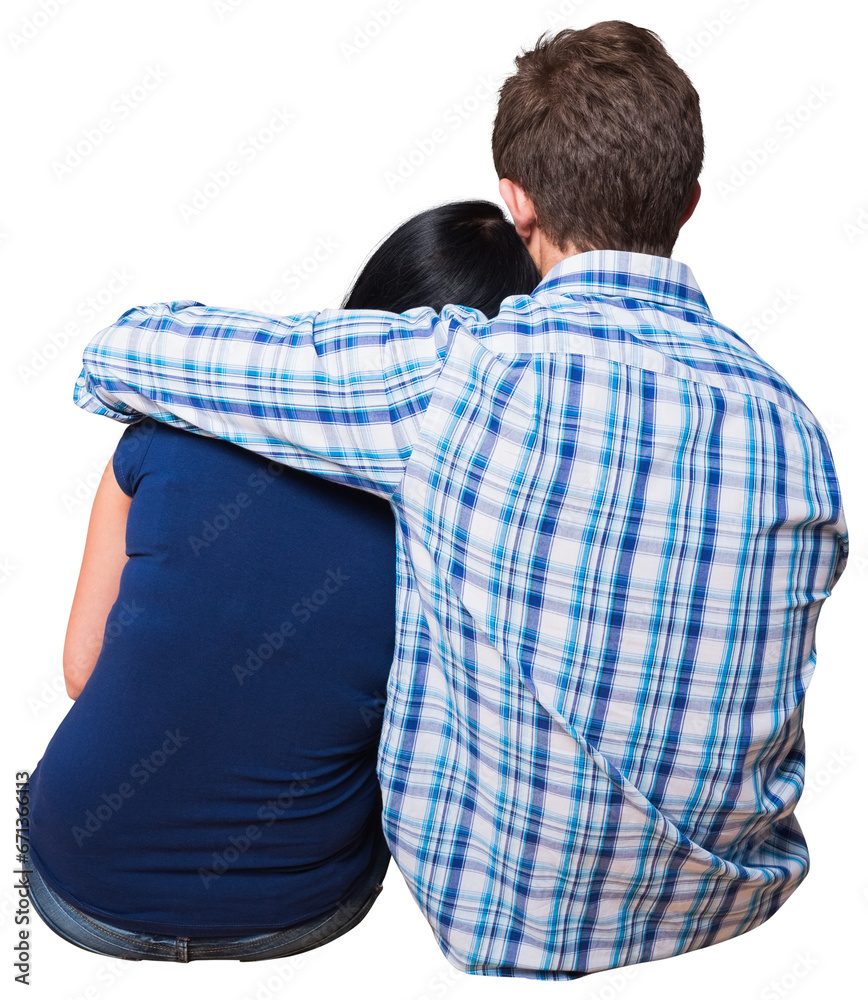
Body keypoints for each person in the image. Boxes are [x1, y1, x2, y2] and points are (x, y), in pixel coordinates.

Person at [69, 21, 849, 980]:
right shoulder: (797, 432)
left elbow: (128, 349)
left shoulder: (456, 377)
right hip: (737, 910)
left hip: (509, 928)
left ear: (516, 203)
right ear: (687, 202)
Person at [23, 201, 541, 962]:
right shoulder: (465, 532)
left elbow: (81, 671)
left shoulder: (164, 433)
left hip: (77, 887)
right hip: (297, 911)